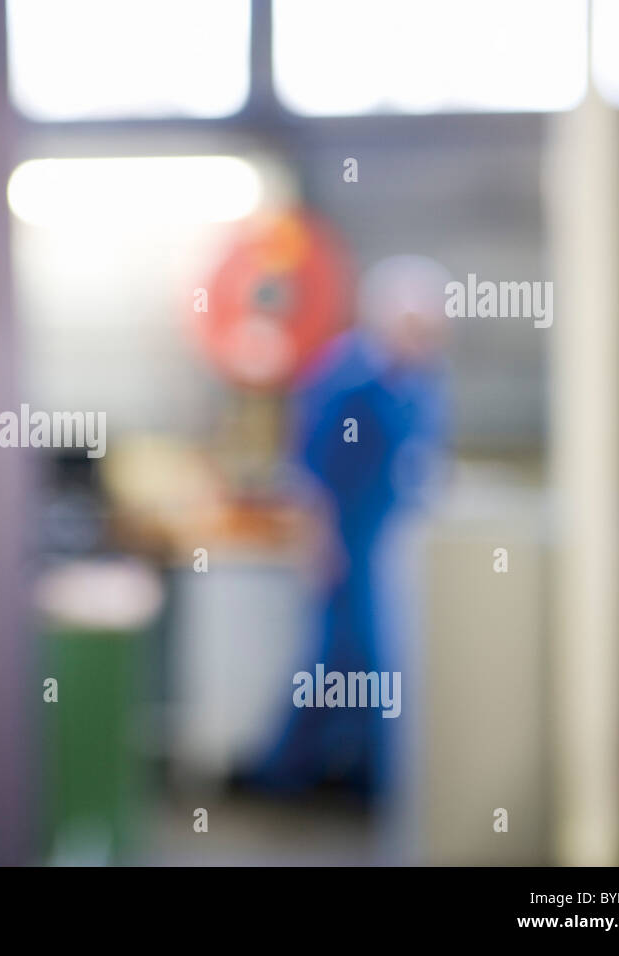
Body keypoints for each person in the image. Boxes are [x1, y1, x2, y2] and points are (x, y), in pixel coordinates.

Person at [234, 255, 452, 806]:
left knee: (373, 661)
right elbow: (308, 470)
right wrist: (318, 542)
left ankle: (363, 775)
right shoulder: (342, 375)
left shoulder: (418, 378)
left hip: (391, 540)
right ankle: (287, 773)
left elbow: (421, 459)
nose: (424, 341)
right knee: (338, 658)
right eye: (416, 329)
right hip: (345, 540)